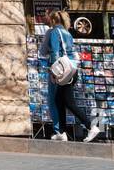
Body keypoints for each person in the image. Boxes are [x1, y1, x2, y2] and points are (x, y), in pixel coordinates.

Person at [41, 10, 101, 143]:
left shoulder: (55, 32)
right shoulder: (67, 33)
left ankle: (91, 126)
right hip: (72, 70)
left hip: (63, 71)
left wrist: (54, 73)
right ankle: (61, 132)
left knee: (68, 102)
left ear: (52, 20)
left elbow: (56, 54)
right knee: (59, 100)